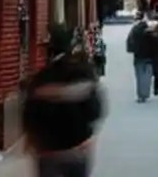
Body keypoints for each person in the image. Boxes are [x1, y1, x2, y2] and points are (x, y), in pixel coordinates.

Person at [22, 23, 106, 176]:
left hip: (49, 150)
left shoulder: (41, 78)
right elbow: (95, 110)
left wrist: (33, 139)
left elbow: (30, 114)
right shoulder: (83, 73)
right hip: (77, 148)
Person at [126, 12, 158, 102]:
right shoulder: (151, 32)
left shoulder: (135, 30)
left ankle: (141, 94)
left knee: (139, 76)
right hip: (148, 56)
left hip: (138, 56)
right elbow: (155, 44)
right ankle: (145, 93)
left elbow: (130, 41)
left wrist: (132, 49)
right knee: (147, 76)